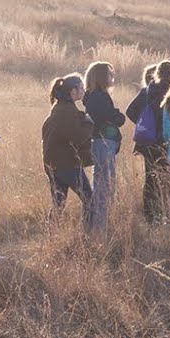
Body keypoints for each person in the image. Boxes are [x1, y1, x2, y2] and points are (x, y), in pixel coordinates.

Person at [42, 74, 95, 229]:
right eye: (81, 88)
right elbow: (76, 137)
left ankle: (51, 235)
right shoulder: (66, 110)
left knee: (58, 203)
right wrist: (89, 124)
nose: (84, 91)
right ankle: (88, 234)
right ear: (73, 91)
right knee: (89, 199)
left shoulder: (60, 108)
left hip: (54, 164)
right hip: (67, 164)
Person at [126, 60, 170, 223]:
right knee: (165, 178)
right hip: (166, 142)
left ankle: (149, 214)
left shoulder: (146, 91)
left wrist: (146, 125)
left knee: (150, 178)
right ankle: (163, 213)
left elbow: (130, 111)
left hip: (147, 142)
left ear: (157, 73)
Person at [83, 61, 126, 233]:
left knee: (102, 183)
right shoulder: (98, 97)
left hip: (103, 142)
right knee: (104, 185)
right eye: (109, 74)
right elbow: (108, 117)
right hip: (103, 142)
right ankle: (100, 228)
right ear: (101, 77)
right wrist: (117, 116)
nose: (112, 77)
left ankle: (98, 225)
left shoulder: (95, 96)